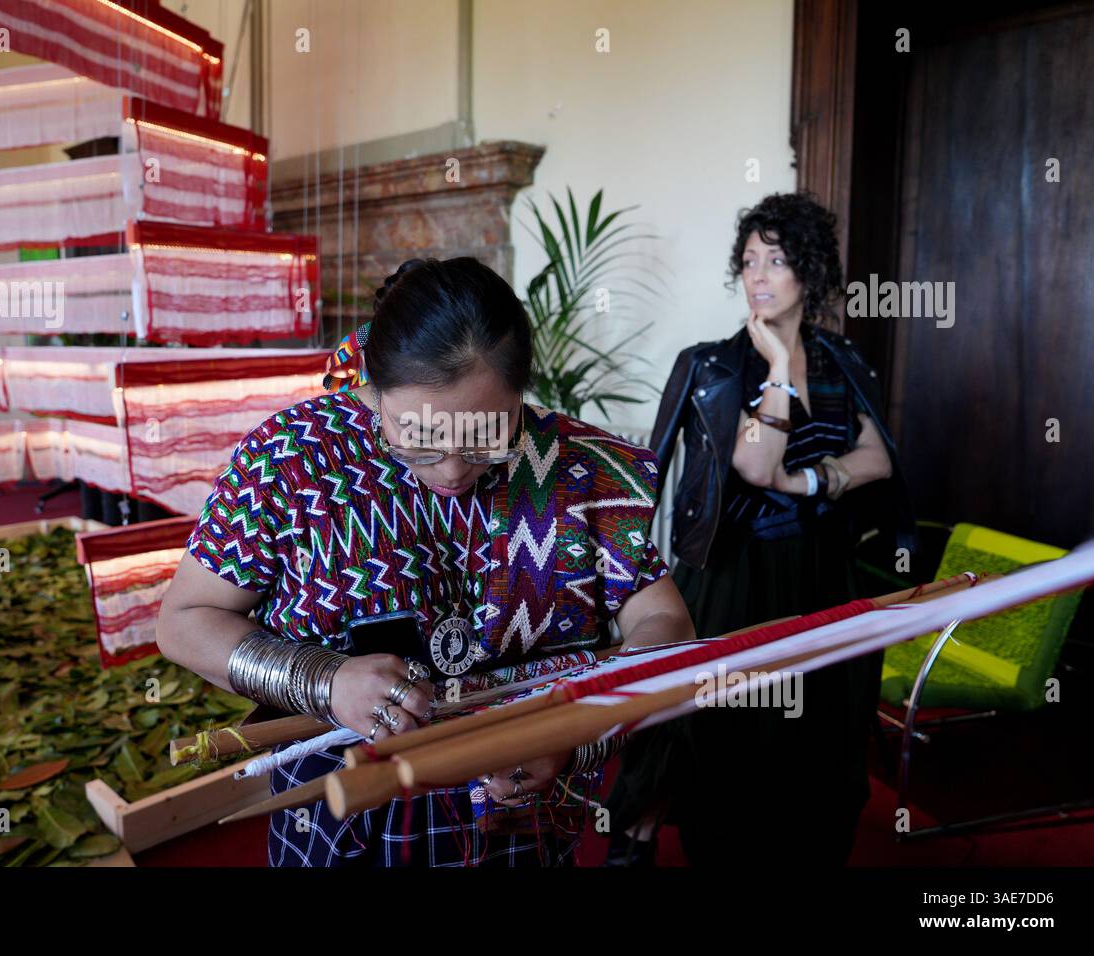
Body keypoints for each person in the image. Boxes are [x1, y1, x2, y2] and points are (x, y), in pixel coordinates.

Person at [158, 256, 695, 866]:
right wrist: (323, 680)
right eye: (418, 438)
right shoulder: (293, 459)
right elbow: (184, 621)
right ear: (376, 384)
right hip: (344, 825)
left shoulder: (567, 464)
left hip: (520, 828)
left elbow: (667, 626)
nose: (452, 470)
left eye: (484, 439)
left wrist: (575, 731)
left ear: (520, 394)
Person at [604, 192, 916, 866]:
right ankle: (658, 837)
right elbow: (753, 462)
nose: (758, 276)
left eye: (775, 260)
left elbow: (877, 458)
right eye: (748, 261)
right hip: (733, 571)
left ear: (808, 271)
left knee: (823, 739)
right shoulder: (713, 365)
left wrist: (811, 480)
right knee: (718, 735)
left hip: (825, 574)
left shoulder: (841, 363)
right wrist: (777, 368)